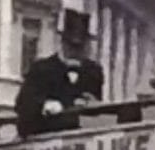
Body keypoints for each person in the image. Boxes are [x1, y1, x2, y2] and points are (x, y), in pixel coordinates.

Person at [15, 9, 104, 137]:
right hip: (46, 141)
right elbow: (22, 104)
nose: (75, 51)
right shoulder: (41, 69)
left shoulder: (93, 72)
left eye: (80, 46)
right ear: (62, 42)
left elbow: (97, 114)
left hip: (83, 144)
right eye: (71, 45)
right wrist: (44, 105)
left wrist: (94, 106)